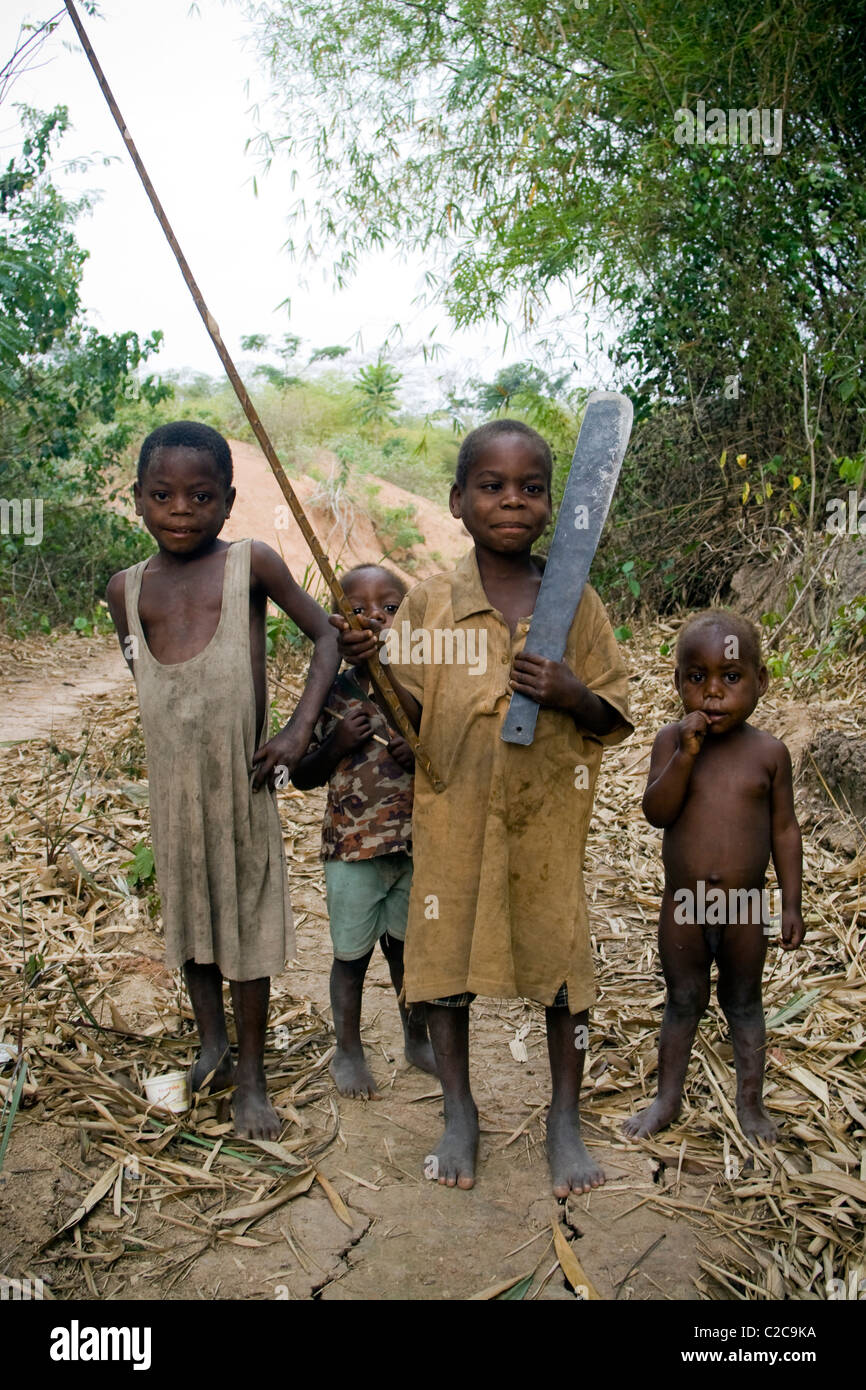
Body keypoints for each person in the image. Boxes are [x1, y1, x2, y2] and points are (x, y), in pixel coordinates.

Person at [334, 419, 633, 1195]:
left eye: (532, 488)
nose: (513, 502)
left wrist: (571, 693)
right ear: (458, 501)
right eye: (492, 487)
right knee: (441, 971)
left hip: (546, 828)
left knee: (562, 969)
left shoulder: (577, 604)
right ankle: (459, 1111)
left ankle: (564, 1120)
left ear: (551, 506)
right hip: (453, 823)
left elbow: (612, 715)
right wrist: (373, 669)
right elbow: (409, 713)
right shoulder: (432, 605)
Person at [106, 421, 339, 1141]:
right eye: (163, 495)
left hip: (243, 786)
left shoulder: (252, 566)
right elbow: (150, 686)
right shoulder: (126, 591)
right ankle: (211, 1046)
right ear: (138, 502)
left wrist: (299, 732)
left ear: (228, 501)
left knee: (244, 931)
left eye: (201, 495)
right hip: (175, 797)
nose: (182, 510)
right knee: (193, 927)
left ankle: (253, 1078)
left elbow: (327, 634)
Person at [623, 610, 804, 1144]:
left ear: (760, 681)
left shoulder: (769, 754)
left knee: (745, 1001)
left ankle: (751, 1106)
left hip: (745, 907)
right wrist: (683, 754)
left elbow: (786, 832)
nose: (713, 694)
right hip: (684, 903)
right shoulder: (669, 742)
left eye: (730, 677)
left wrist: (791, 904)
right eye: (696, 678)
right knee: (683, 999)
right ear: (677, 682)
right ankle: (666, 1099)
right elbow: (657, 812)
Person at [292, 564, 436, 1098]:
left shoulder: (420, 686)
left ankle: (415, 1038)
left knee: (406, 955)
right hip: (351, 850)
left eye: (391, 607)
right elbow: (301, 773)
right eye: (359, 609)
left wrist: (415, 750)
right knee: (350, 958)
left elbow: (450, 759)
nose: (375, 618)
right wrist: (337, 745)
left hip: (414, 846)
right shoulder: (329, 692)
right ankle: (348, 1050)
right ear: (338, 621)